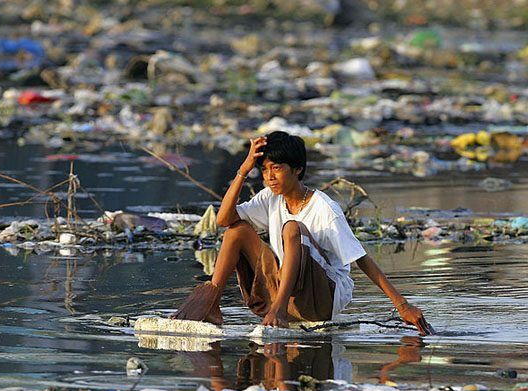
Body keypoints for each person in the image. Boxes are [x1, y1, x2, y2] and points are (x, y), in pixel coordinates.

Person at [171, 131, 434, 335]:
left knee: (292, 229)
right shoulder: (270, 198)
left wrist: (402, 306)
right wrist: (244, 168)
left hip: (321, 300)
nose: (270, 177)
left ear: (297, 169)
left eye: (277, 168)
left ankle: (279, 310)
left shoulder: (324, 208)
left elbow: (360, 258)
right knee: (236, 231)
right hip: (285, 291)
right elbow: (224, 219)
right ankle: (211, 303)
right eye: (264, 170)